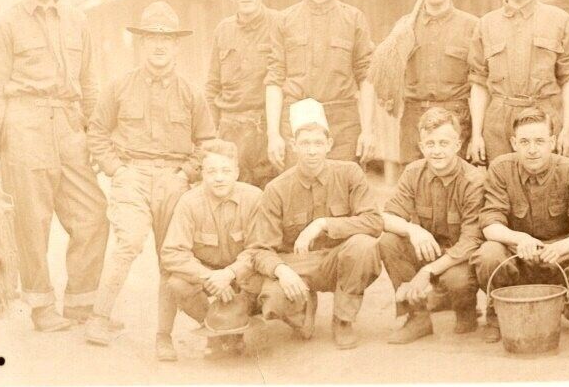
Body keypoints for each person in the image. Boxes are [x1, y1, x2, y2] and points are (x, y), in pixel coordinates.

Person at [0, 0, 108, 332]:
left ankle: (80, 302)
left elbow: (90, 80)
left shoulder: (77, 19)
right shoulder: (6, 22)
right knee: (32, 221)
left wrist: (95, 132)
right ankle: (41, 307)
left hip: (69, 126)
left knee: (93, 214)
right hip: (25, 124)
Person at [84, 1, 216, 361]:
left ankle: (163, 336)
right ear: (141, 44)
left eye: (166, 40)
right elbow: (96, 131)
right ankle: (99, 317)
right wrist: (116, 169)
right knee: (128, 241)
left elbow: (206, 143)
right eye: (151, 39)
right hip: (133, 174)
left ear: (176, 45)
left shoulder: (191, 93)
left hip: (175, 178)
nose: (159, 46)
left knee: (170, 255)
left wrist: (185, 174)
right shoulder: (119, 87)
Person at [248, 99, 383, 350]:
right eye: (305, 143)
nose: (312, 151)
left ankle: (343, 319)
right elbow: (259, 250)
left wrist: (322, 223)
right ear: (293, 145)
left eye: (318, 143)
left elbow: (374, 221)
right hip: (296, 266)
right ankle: (302, 308)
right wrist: (282, 271)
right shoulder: (277, 188)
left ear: (329, 144)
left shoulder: (349, 173)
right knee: (274, 301)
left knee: (364, 246)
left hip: (337, 260)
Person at [473, 107, 569, 343]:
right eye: (525, 141)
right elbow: (490, 224)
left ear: (552, 142)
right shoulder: (500, 169)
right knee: (488, 253)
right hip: (516, 252)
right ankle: (497, 314)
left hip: (558, 254)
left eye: (539, 141)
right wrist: (520, 239)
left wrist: (562, 248)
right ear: (513, 143)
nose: (532, 149)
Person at [468, 0, 569, 165]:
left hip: (546, 118)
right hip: (499, 125)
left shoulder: (559, 20)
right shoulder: (486, 25)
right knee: (502, 190)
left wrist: (568, 128)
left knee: (549, 190)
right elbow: (478, 83)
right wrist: (476, 134)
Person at [377, 107, 485, 344]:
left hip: (459, 258)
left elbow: (471, 241)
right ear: (422, 146)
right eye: (430, 143)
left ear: (458, 145)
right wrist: (413, 230)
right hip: (429, 249)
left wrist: (427, 271)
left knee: (458, 281)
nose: (437, 151)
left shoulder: (474, 181)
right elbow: (386, 218)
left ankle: (465, 309)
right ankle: (417, 318)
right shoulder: (413, 172)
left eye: (444, 143)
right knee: (389, 242)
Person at [265, 0, 376, 170]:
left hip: (342, 121)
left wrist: (368, 130)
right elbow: (275, 79)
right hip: (297, 118)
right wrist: (273, 134)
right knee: (299, 195)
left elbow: (367, 78)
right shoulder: (284, 20)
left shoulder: (353, 18)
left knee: (343, 193)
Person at [159, 139, 262, 360]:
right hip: (208, 276)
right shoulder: (188, 202)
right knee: (177, 283)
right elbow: (171, 253)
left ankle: (238, 327)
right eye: (211, 171)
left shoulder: (254, 197)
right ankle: (215, 330)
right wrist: (208, 276)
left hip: (241, 274)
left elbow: (259, 248)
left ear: (237, 172)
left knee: (264, 282)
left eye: (226, 170)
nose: (219, 177)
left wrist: (230, 273)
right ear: (202, 174)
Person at [394, 0, 478, 164]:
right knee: (413, 184)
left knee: (455, 185)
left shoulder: (472, 27)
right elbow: (387, 77)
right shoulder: (405, 26)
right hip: (414, 118)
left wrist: (477, 131)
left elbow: (480, 82)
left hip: (455, 117)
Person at [204, 0, 280, 187]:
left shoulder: (279, 24)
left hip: (265, 131)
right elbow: (212, 86)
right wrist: (211, 135)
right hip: (229, 133)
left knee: (267, 200)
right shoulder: (223, 30)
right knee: (229, 197)